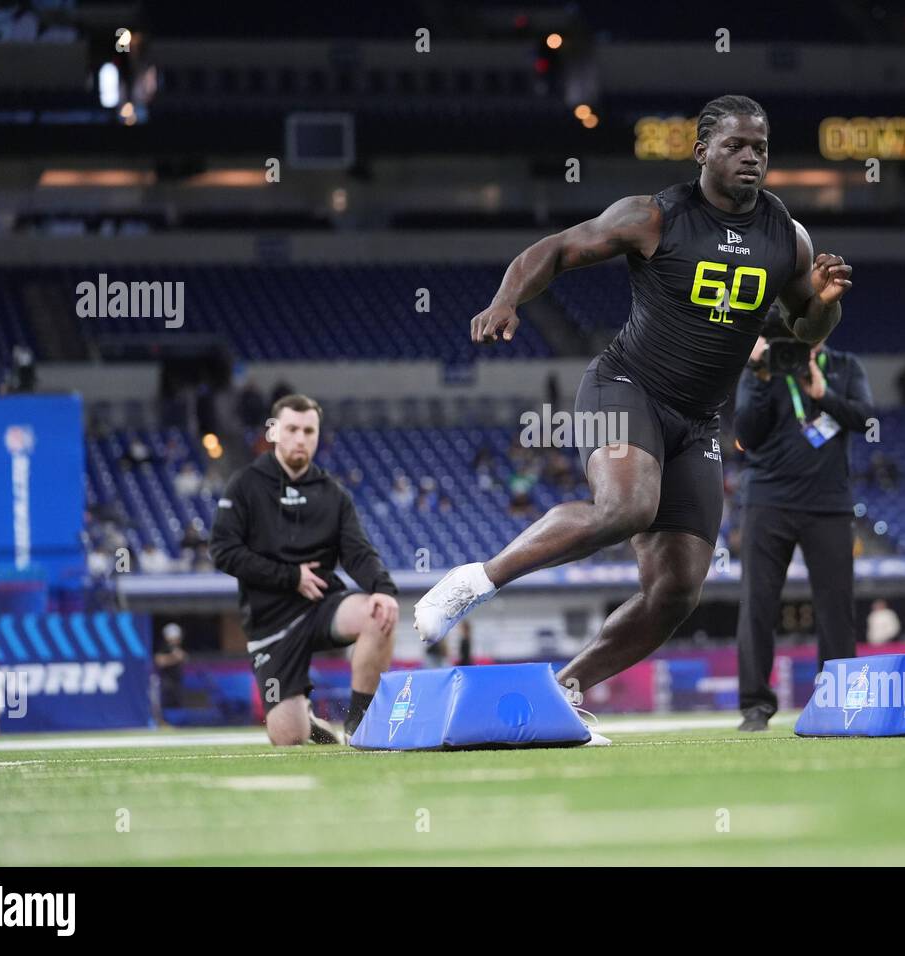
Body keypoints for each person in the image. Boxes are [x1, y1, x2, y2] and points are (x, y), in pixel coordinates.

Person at [413, 95, 852, 741]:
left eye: (760, 146)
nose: (751, 157)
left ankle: (560, 694)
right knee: (626, 508)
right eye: (735, 145)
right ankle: (474, 581)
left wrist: (828, 304)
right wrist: (508, 299)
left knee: (678, 590)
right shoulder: (654, 216)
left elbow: (803, 326)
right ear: (702, 151)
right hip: (626, 386)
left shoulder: (787, 237)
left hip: (698, 421)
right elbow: (559, 250)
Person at [210, 394, 400, 745]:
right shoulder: (246, 485)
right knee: (289, 739)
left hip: (323, 605)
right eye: (292, 429)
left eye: (309, 430)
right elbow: (223, 552)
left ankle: (361, 730)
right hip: (271, 623)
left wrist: (383, 590)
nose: (300, 438)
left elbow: (357, 553)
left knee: (379, 613)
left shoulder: (333, 494)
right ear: (274, 432)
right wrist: (290, 576)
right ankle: (309, 722)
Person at [732, 327, 875, 731]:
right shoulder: (764, 368)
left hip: (829, 504)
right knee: (757, 603)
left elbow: (867, 419)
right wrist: (759, 375)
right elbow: (746, 433)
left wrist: (822, 395)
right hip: (767, 501)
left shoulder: (845, 367)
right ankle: (756, 706)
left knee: (836, 608)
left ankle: (837, 699)